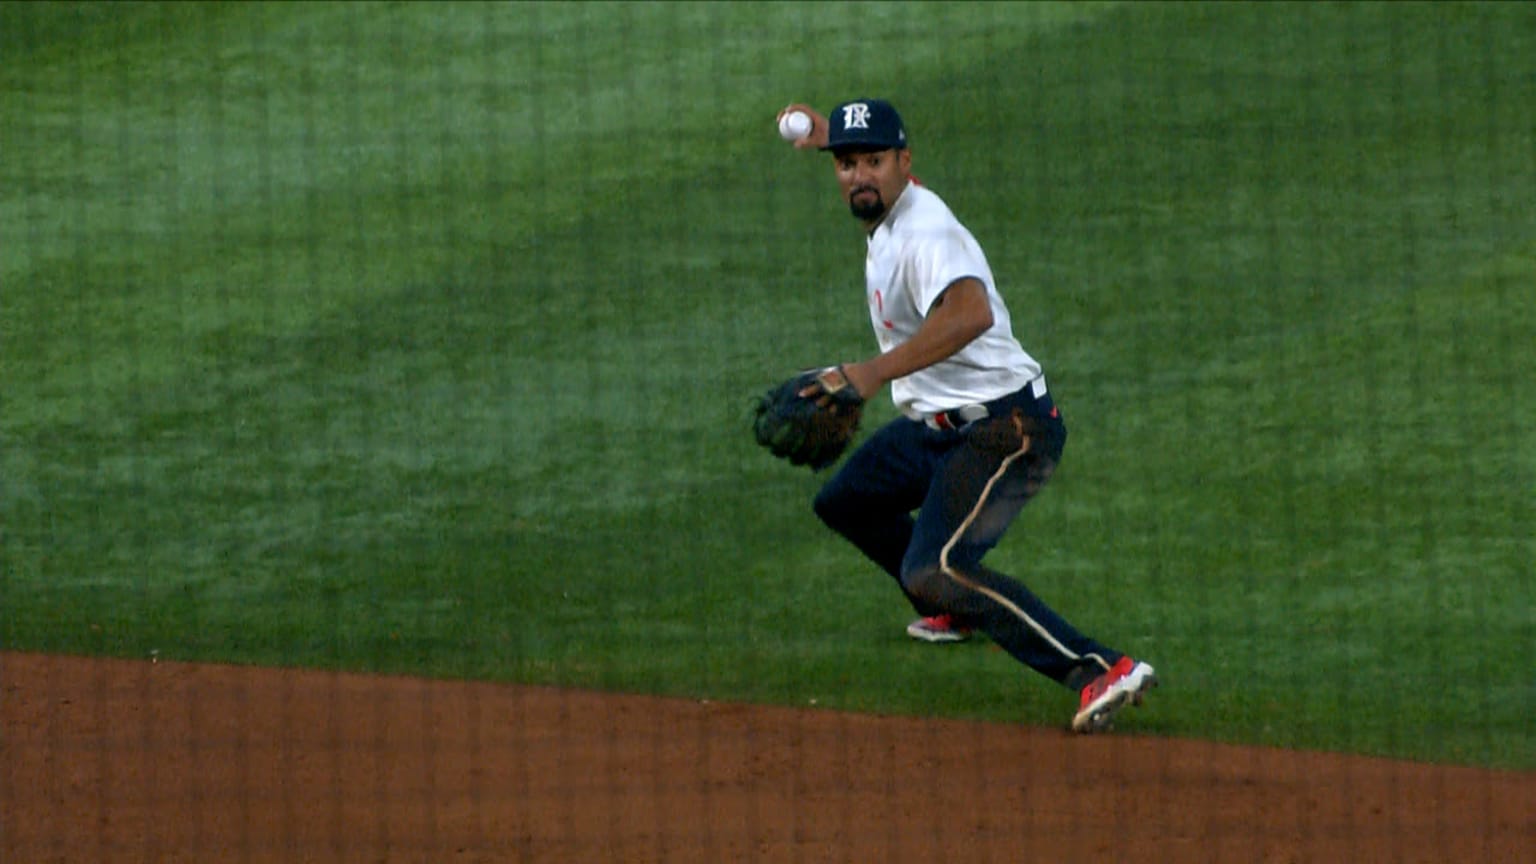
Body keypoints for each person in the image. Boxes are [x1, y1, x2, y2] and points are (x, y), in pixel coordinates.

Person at [777, 98, 1156, 732]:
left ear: (905, 162)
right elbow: (871, 171)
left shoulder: (926, 231)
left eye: (874, 161)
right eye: (847, 164)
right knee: (846, 502)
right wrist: (828, 136)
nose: (859, 176)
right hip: (936, 429)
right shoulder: (893, 207)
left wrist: (870, 374)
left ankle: (1100, 667)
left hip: (1008, 429)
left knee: (936, 567)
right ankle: (952, 607)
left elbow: (971, 314)